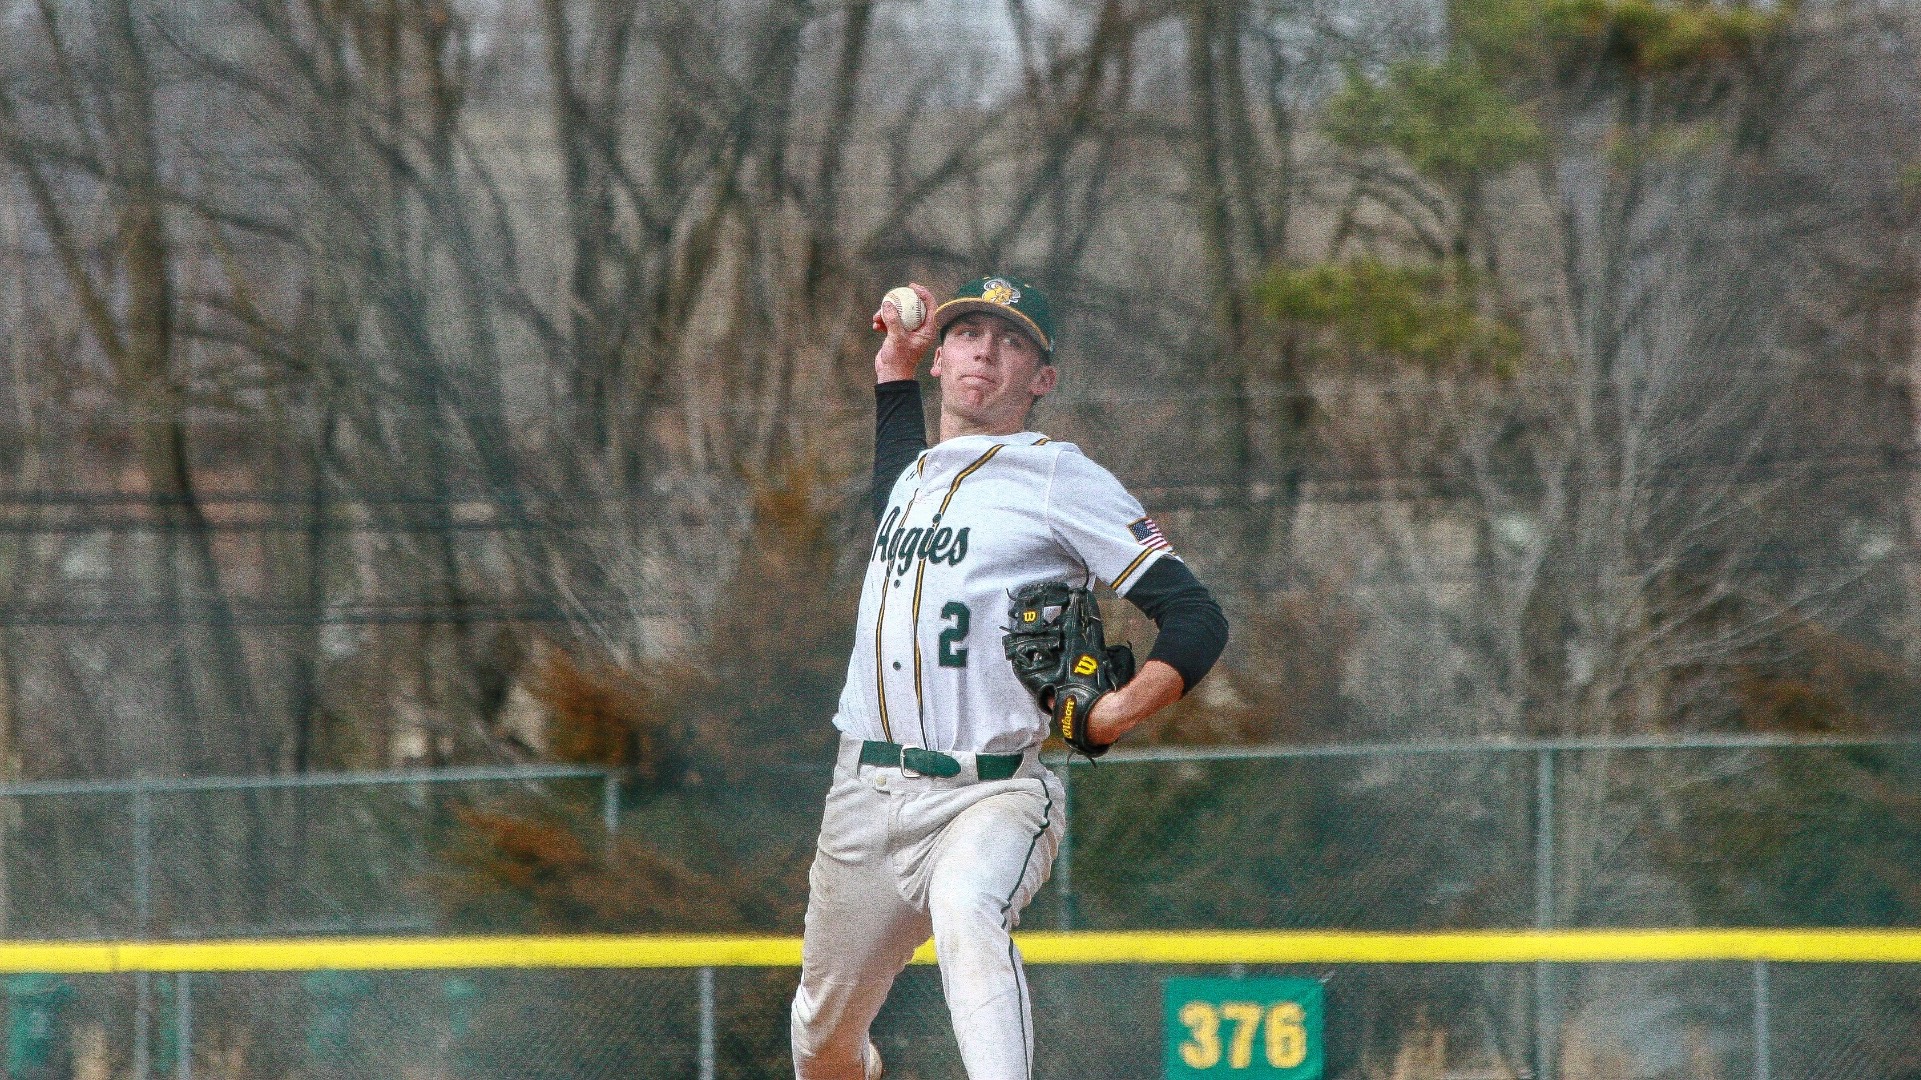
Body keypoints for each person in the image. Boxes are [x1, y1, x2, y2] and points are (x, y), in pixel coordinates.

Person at [788, 276, 1230, 1080]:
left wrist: (1114, 715)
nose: (985, 349)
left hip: (989, 793)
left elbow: (1196, 616)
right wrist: (892, 366)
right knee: (821, 1046)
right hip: (865, 794)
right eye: (967, 333)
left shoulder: (1059, 478)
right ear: (941, 358)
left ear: (1041, 379)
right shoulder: (915, 479)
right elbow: (894, 471)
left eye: (1011, 340)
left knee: (966, 913)